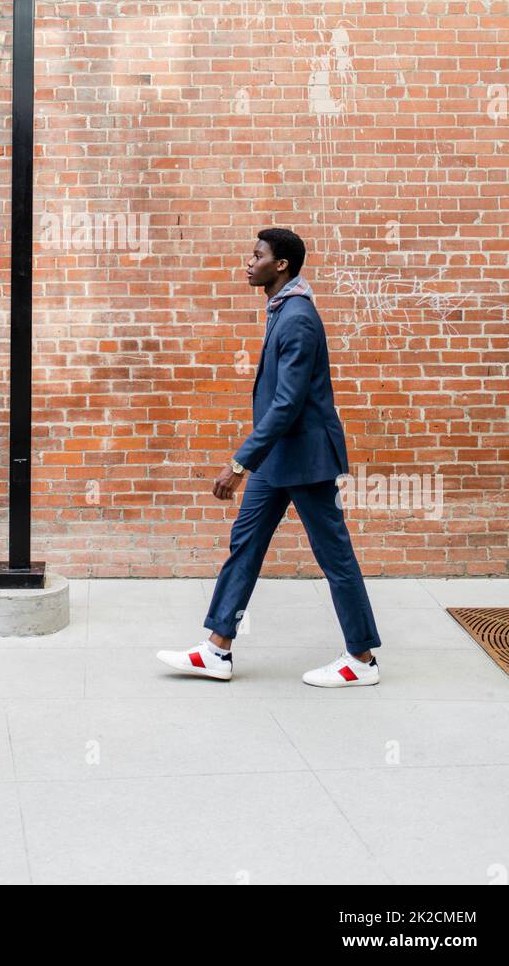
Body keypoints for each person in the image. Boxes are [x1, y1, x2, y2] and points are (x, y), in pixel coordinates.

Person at [157, 227, 381, 686]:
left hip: (307, 458)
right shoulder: (281, 308)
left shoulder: (297, 316)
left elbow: (287, 402)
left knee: (334, 555)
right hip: (279, 458)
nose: (248, 261)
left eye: (256, 255)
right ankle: (218, 649)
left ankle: (361, 660)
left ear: (281, 266)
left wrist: (239, 464)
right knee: (245, 546)